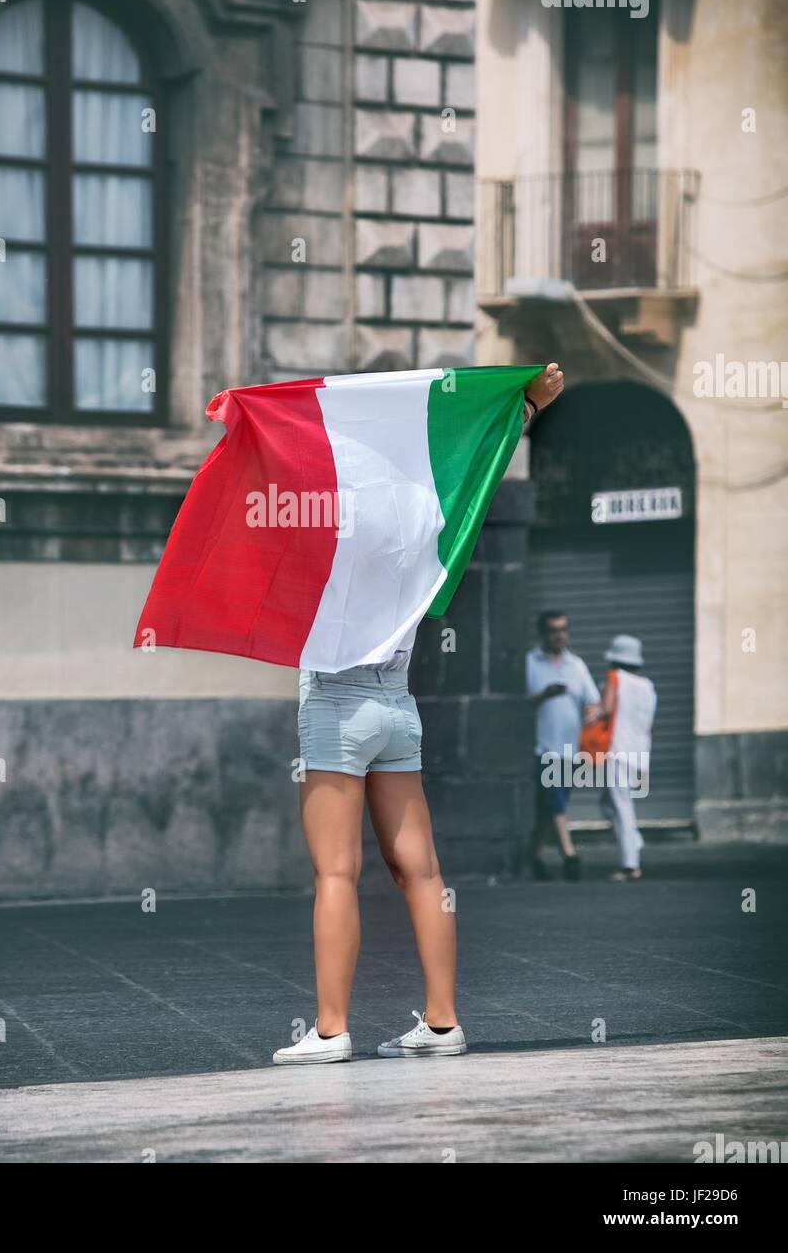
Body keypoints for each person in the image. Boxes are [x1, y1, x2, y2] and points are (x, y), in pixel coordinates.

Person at [272, 363, 566, 1065]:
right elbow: (477, 474)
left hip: (337, 706)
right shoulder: (421, 523)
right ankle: (440, 1023)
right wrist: (524, 408)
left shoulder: (328, 527)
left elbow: (269, 500)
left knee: (335, 874)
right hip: (398, 705)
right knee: (423, 873)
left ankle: (330, 1029)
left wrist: (246, 425)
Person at [525, 611, 601, 882]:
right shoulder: (530, 663)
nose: (560, 635)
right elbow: (515, 704)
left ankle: (531, 857)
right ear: (542, 633)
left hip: (571, 751)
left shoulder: (576, 665)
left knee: (549, 807)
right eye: (554, 630)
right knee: (556, 802)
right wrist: (544, 695)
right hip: (542, 749)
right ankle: (570, 856)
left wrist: (594, 711)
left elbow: (593, 700)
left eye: (564, 629)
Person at [598, 634, 657, 882]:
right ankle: (633, 841)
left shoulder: (615, 678)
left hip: (618, 749)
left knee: (620, 806)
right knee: (608, 803)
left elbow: (606, 710)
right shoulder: (648, 687)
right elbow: (650, 724)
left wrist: (593, 711)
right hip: (639, 753)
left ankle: (630, 865)